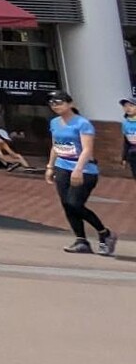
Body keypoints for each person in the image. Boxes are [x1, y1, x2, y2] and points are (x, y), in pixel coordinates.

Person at [45, 92, 115, 256]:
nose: (55, 105)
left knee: (74, 204)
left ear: (70, 104)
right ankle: (81, 240)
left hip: (84, 169)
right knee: (66, 205)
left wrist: (78, 169)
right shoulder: (55, 122)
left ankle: (104, 233)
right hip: (62, 167)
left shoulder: (82, 124)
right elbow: (56, 146)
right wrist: (50, 166)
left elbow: (87, 149)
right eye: (52, 103)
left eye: (59, 102)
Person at [121, 97, 136, 180]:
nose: (128, 108)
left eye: (131, 105)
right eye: (125, 106)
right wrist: (124, 158)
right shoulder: (125, 123)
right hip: (133, 155)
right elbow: (126, 142)